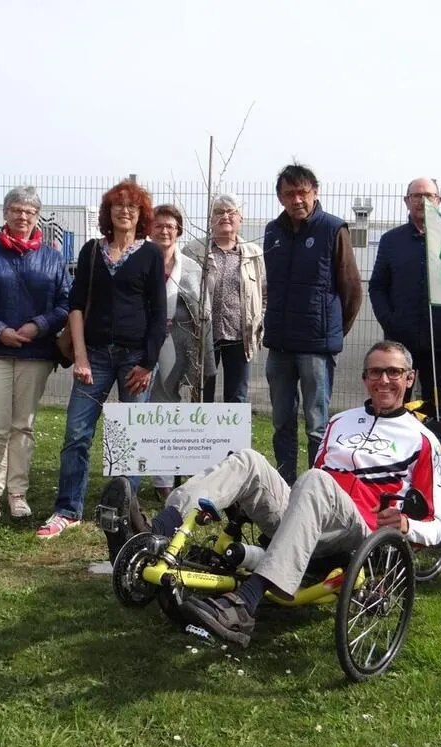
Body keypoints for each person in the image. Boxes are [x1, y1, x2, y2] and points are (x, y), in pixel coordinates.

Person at [124, 341, 441, 647]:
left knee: (316, 480)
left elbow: (436, 524)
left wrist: (406, 524)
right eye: (375, 372)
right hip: (307, 515)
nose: (384, 380)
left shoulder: (421, 440)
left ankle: (244, 604)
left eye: (394, 372)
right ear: (365, 378)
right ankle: (155, 533)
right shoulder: (339, 422)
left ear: (409, 377)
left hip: (356, 532)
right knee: (248, 459)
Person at [36, 180, 167, 541]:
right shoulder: (92, 252)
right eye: (118, 206)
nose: (125, 211)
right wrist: (80, 357)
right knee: (77, 433)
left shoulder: (151, 255)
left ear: (141, 215)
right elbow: (76, 307)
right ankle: (68, 509)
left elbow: (158, 315)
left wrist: (148, 362)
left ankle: (123, 508)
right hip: (93, 357)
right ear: (108, 213)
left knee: (129, 439)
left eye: (132, 207)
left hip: (135, 361)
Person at [0, 186, 71, 521]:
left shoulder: (53, 259)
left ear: (37, 216)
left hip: (35, 352)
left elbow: (65, 303)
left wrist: (38, 326)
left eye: (29, 211)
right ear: (5, 213)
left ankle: (17, 493)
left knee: (22, 425)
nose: (22, 216)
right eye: (16, 210)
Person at [262, 164, 363, 484]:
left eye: (302, 192)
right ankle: (285, 483)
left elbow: (352, 290)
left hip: (316, 348)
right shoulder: (272, 232)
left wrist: (331, 331)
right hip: (279, 346)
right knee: (281, 421)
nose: (297, 200)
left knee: (317, 424)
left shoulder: (333, 229)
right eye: (289, 194)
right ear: (280, 197)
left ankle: (317, 486)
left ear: (315, 193)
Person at [369, 177, 441, 413]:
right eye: (416, 196)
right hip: (399, 342)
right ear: (407, 200)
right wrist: (390, 321)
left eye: (429, 196)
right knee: (395, 405)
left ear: (439, 200)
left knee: (435, 408)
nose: (422, 201)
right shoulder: (391, 240)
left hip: (439, 341)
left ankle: (433, 448)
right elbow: (378, 286)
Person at [149, 203, 214, 501]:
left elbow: (204, 312)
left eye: (170, 226)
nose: (164, 230)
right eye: (159, 225)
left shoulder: (191, 268)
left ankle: (181, 478)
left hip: (180, 346)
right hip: (143, 346)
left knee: (172, 411)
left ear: (178, 231)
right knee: (148, 411)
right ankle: (157, 478)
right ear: (150, 229)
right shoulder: (140, 261)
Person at [183, 194, 266, 404]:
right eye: (219, 212)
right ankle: (201, 436)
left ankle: (232, 438)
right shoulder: (193, 251)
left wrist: (257, 319)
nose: (225, 216)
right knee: (201, 395)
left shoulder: (254, 253)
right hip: (203, 335)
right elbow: (182, 292)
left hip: (240, 336)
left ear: (241, 219)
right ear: (210, 219)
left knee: (236, 398)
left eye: (232, 212)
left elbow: (263, 293)